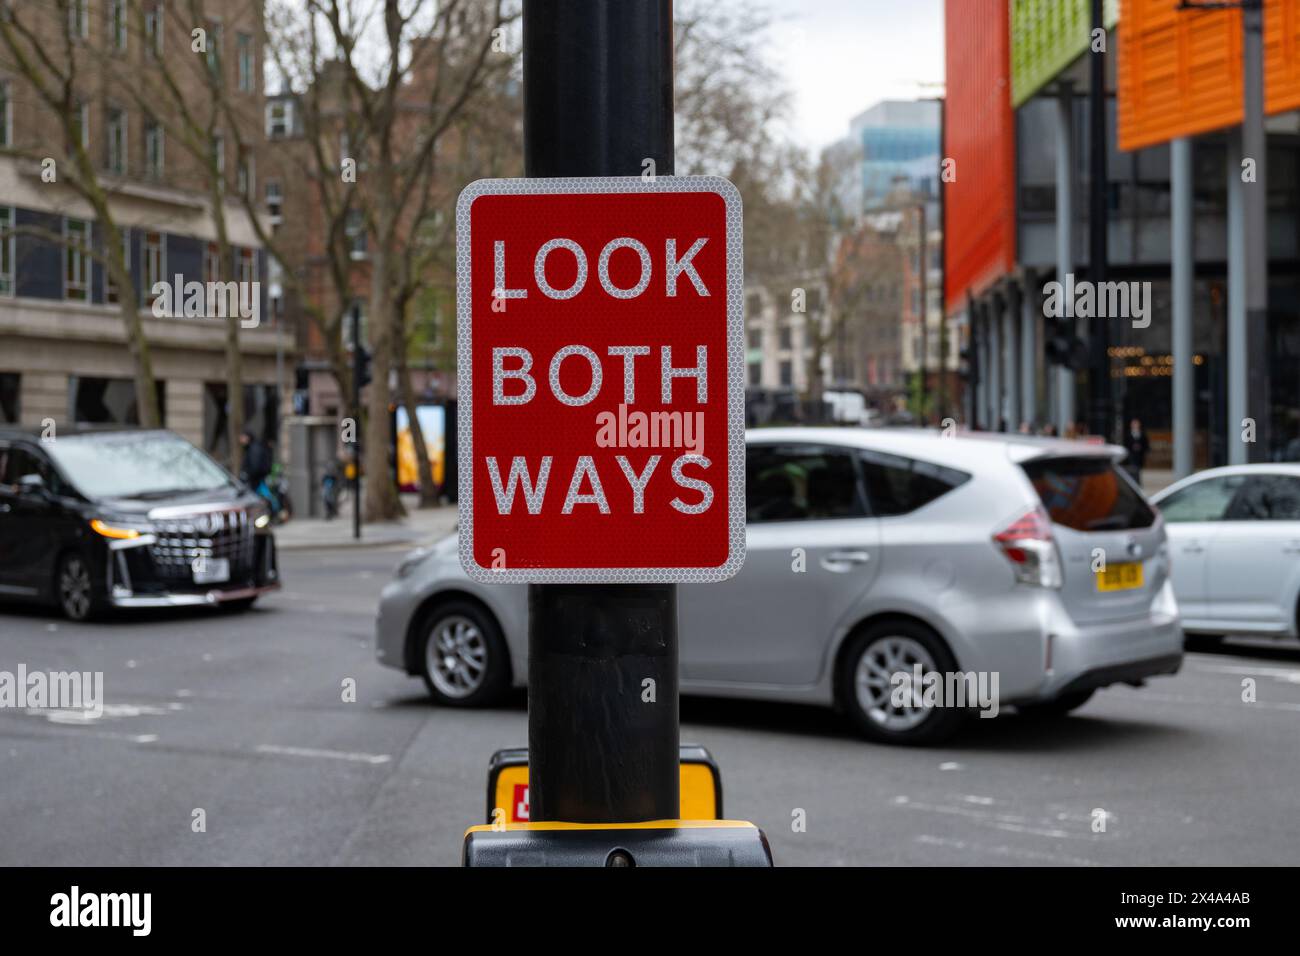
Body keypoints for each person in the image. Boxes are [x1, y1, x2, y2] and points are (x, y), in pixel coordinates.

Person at [1123, 418, 1150, 484]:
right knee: (1133, 468)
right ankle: (1134, 482)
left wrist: (1142, 449)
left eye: (1136, 424)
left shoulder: (1142, 433)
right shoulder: (1128, 434)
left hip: (1140, 455)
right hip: (1131, 454)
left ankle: (1137, 482)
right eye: (1133, 424)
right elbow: (1125, 444)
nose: (1135, 425)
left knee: (1138, 469)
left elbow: (1146, 444)